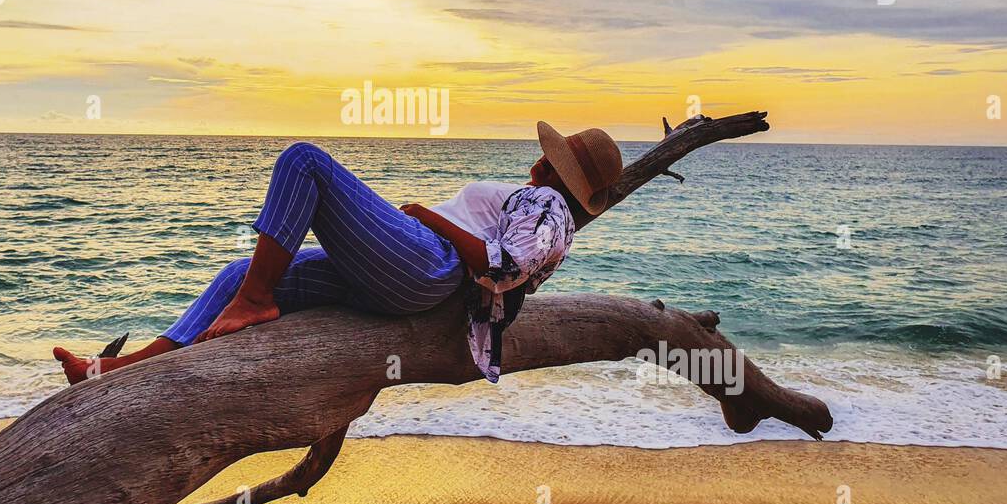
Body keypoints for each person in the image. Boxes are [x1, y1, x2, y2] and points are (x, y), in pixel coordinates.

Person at [53, 121, 622, 386]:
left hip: (429, 271)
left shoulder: (547, 205)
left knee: (304, 161)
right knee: (236, 270)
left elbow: (503, 266)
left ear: (560, 171)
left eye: (555, 157)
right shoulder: (543, 204)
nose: (543, 161)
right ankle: (111, 371)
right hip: (408, 280)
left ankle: (255, 300)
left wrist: (425, 216)